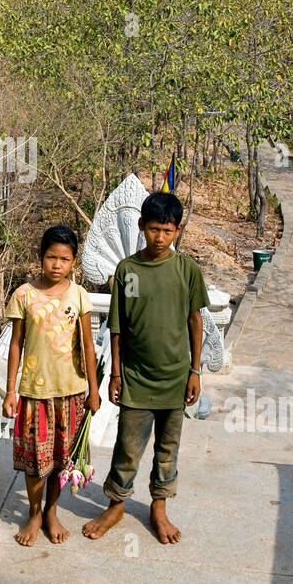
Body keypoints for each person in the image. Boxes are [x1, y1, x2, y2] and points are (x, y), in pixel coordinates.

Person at [82, 191, 208, 545]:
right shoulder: (128, 270)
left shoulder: (187, 270)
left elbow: (195, 321)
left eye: (167, 231)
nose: (160, 238)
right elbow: (118, 327)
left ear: (178, 231)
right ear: (142, 226)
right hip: (136, 378)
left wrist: (195, 371)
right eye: (154, 229)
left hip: (176, 379)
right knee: (128, 446)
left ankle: (159, 506)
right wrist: (116, 374)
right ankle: (116, 504)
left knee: (168, 448)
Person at [3, 224, 101, 546]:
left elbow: (88, 345)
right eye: (51, 257)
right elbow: (16, 344)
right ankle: (34, 513)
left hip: (71, 391)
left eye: (64, 259)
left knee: (62, 458)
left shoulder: (79, 296)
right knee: (34, 461)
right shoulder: (24, 295)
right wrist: (10, 390)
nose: (57, 265)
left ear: (73, 261)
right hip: (34, 393)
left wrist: (94, 389)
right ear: (40, 257)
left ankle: (52, 510)